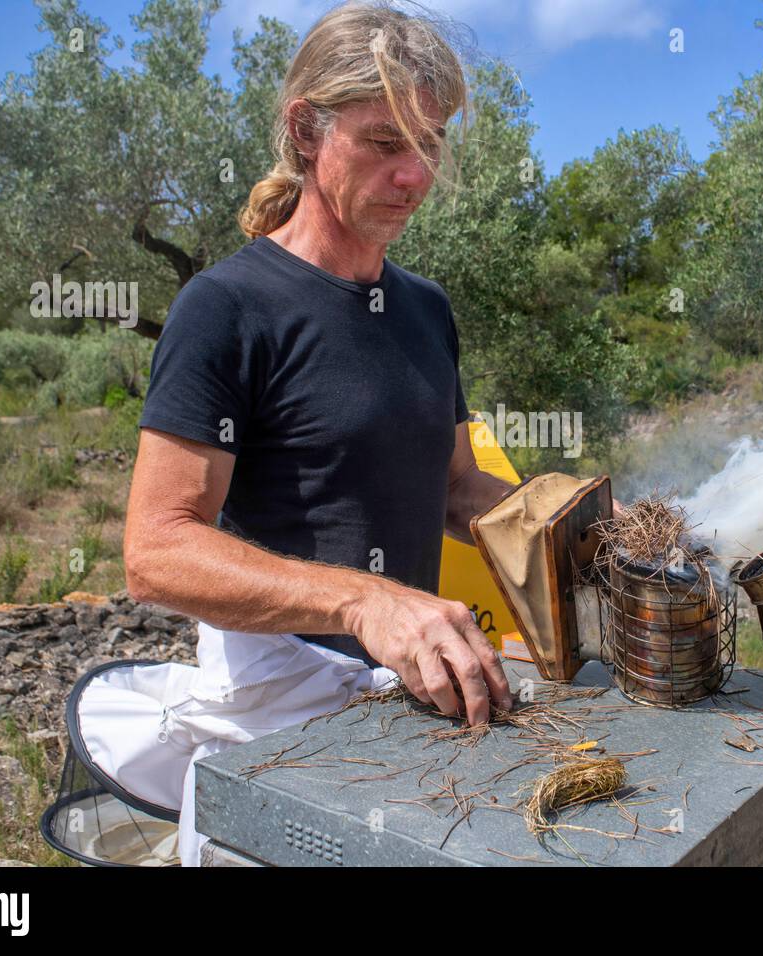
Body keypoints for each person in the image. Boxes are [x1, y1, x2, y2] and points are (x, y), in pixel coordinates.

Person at [121, 2, 515, 865]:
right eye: (385, 143)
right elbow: (156, 552)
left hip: (413, 711)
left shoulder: (425, 308)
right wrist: (363, 599)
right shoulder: (226, 308)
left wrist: (569, 519)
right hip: (276, 727)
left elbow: (453, 486)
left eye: (433, 146)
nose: (415, 176)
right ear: (306, 129)